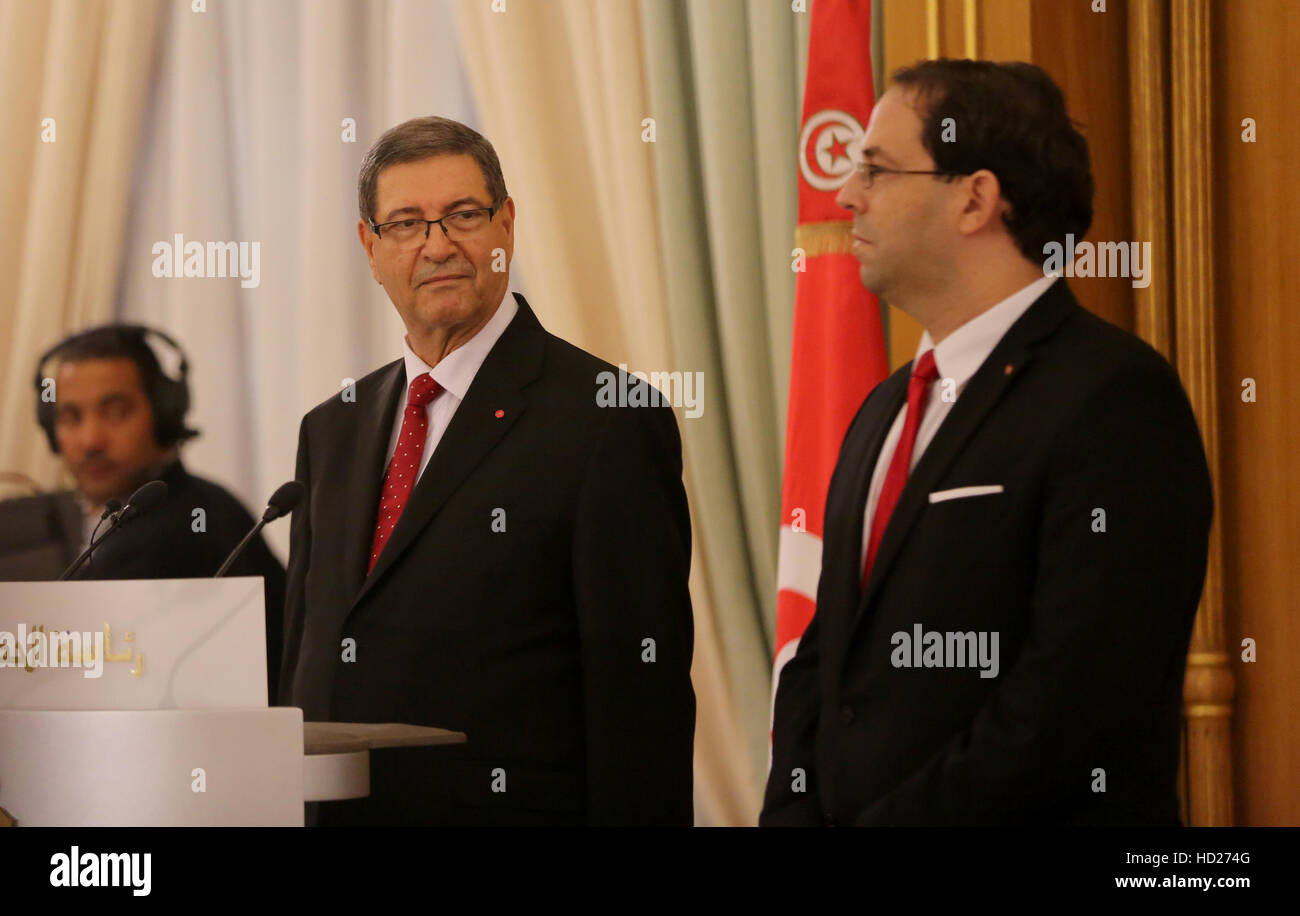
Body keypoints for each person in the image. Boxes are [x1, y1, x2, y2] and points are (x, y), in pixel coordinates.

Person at [762, 59, 1212, 825]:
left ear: (975, 197)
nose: (846, 197)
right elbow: (821, 663)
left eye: (875, 168)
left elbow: (1072, 707)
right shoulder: (882, 410)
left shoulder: (1114, 399)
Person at [279, 117, 695, 825]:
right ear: (370, 247)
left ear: (506, 225)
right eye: (406, 223)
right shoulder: (332, 429)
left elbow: (639, 704)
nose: (438, 245)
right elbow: (305, 664)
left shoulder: (605, 418)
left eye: (463, 216)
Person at [34, 324, 286, 699]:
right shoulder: (202, 502)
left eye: (116, 412)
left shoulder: (169, 534)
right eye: (71, 417)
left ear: (165, 413)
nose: (90, 440)